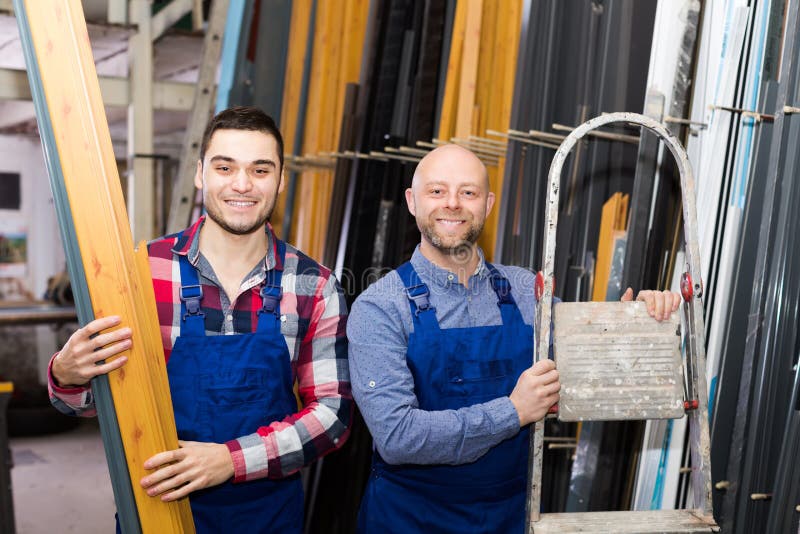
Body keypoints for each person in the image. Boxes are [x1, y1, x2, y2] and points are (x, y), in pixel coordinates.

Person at [48, 106, 352, 533]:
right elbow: (91, 405)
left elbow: (333, 416)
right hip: (159, 513)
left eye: (260, 170)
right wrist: (67, 375)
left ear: (281, 180)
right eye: (225, 167)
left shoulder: (314, 286)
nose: (242, 184)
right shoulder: (139, 276)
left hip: (268, 517)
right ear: (200, 174)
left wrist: (230, 460)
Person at [347, 144, 680, 533]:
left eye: (468, 192)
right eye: (437, 191)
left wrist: (637, 320)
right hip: (409, 519)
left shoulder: (527, 292)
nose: (452, 203)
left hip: (508, 518)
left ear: (487, 204)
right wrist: (514, 411)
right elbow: (398, 436)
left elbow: (600, 372)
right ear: (412, 201)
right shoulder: (380, 307)